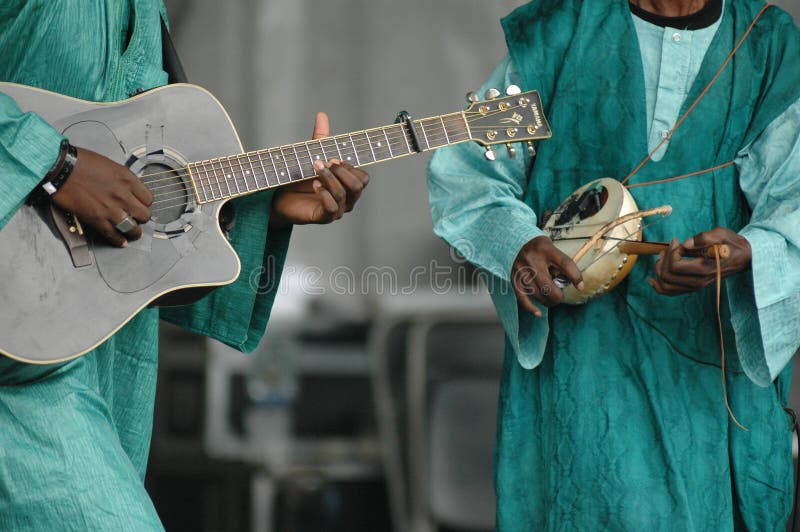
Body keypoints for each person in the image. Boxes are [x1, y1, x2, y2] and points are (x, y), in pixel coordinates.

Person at [428, 0, 800, 529]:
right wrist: (518, 244)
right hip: (584, 370)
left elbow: (795, 196)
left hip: (709, 378)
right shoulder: (558, 31)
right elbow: (468, 171)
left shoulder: (768, 43)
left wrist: (750, 252)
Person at [0, 1, 368, 529]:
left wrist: (257, 209)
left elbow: (128, 180)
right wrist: (57, 167)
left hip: (98, 341)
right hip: (22, 367)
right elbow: (80, 172)